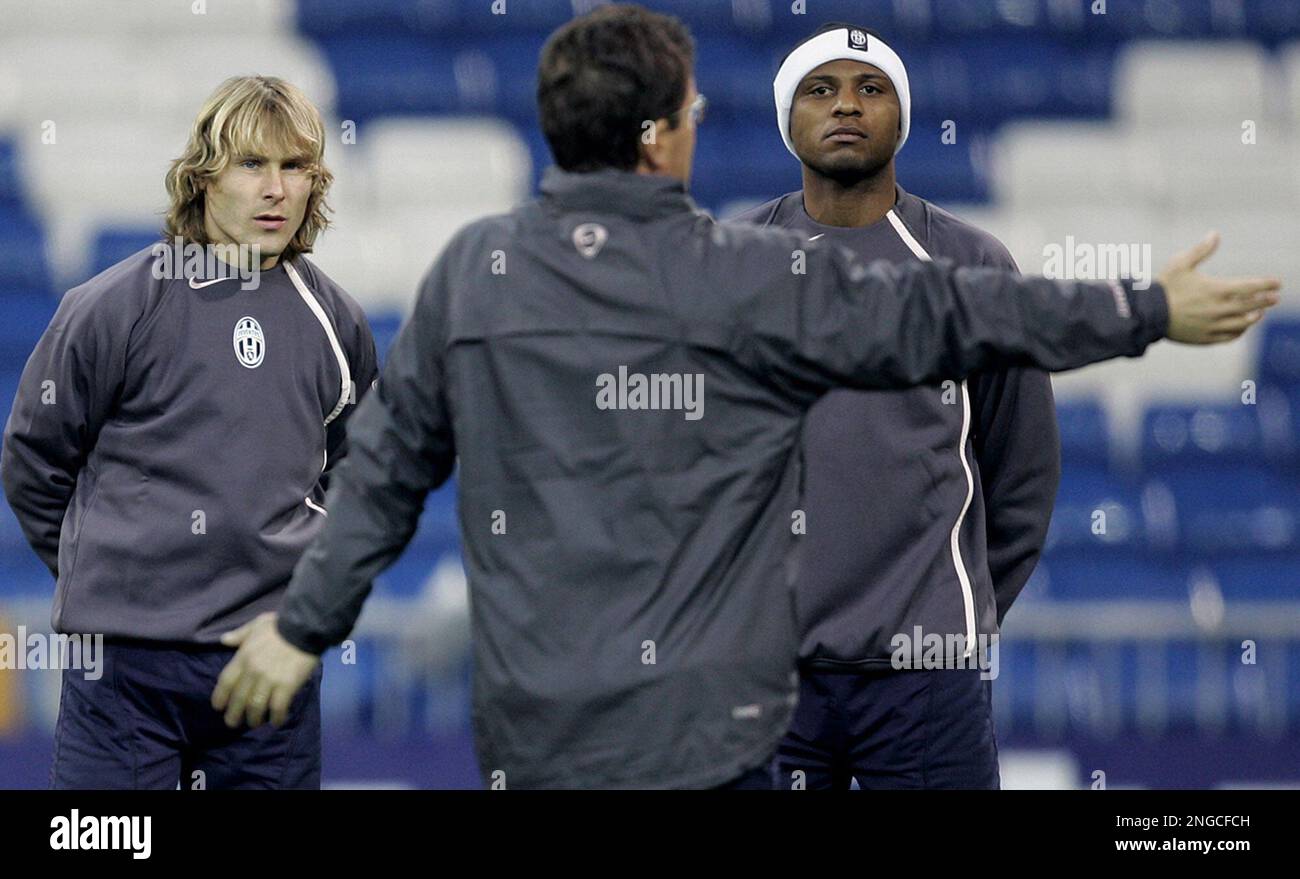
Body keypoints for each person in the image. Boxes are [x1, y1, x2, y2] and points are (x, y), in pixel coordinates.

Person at [210, 4, 1278, 790]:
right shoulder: (741, 271)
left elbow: (384, 474)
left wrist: (303, 628)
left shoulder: (471, 272)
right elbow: (951, 319)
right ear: (665, 136)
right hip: (713, 726)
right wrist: (1142, 310)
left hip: (545, 727)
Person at [1, 75, 377, 789]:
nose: (275, 189)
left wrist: (296, 606)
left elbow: (362, 479)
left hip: (268, 666)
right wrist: (110, 574)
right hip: (122, 672)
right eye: (252, 163)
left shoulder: (339, 322)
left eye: (294, 166)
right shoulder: (111, 307)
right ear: (203, 177)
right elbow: (33, 460)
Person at [729, 22, 1054, 789]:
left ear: (902, 116)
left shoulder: (973, 267)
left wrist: (955, 617)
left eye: (870, 88)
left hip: (927, 687)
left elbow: (1024, 477)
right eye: (822, 89)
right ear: (788, 119)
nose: (847, 105)